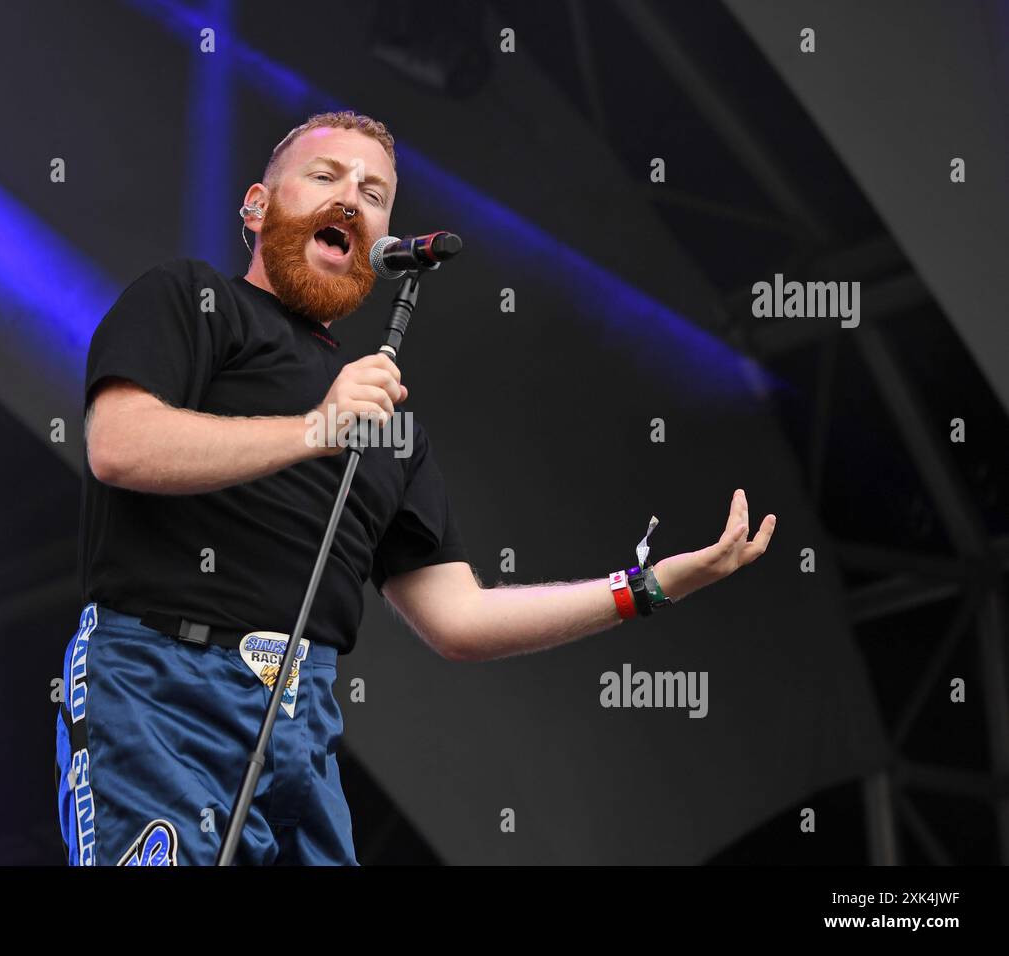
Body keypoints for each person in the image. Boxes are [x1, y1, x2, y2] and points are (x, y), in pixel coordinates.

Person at [55, 110, 776, 866]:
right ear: (258, 206)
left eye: (373, 194)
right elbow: (118, 444)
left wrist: (645, 588)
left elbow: (458, 619)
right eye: (325, 177)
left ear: (382, 243)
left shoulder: (388, 427)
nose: (349, 201)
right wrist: (315, 428)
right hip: (162, 685)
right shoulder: (193, 300)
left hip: (304, 717)